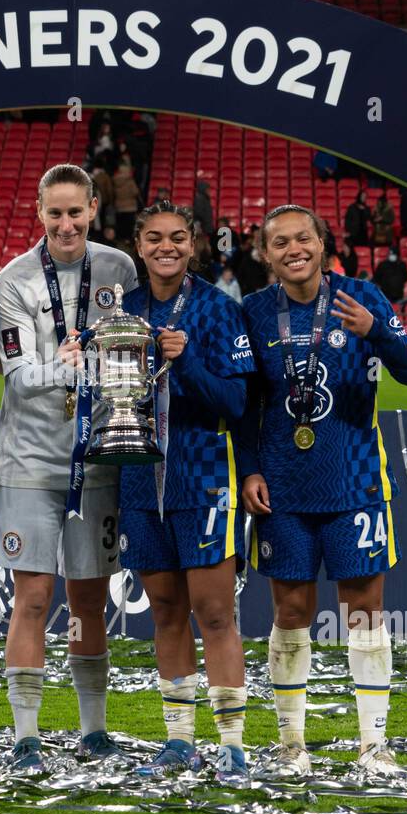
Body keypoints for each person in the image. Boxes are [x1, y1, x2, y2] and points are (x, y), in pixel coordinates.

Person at [239, 204, 407, 777]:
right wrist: (248, 470)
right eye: (280, 243)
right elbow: (244, 408)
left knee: (364, 612)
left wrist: (377, 335)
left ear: (323, 244)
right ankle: (291, 745)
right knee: (291, 611)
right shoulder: (251, 313)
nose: (294, 250)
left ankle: (374, 745)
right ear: (265, 255)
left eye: (304, 239)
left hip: (355, 480)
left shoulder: (362, 296)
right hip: (283, 489)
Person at [0, 163, 137, 770]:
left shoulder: (119, 270)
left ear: (94, 208)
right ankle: (25, 736)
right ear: (39, 212)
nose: (67, 223)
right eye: (55, 213)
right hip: (29, 462)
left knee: (88, 600)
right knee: (30, 598)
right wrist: (75, 370)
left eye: (76, 212)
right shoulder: (13, 280)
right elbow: (19, 378)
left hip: (98, 460)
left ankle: (94, 731)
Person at [119, 202, 256, 778]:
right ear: (139, 244)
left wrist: (186, 360)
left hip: (203, 477)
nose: (165, 247)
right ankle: (178, 739)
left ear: (193, 243)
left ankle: (231, 742)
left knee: (215, 613)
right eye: (154, 238)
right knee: (167, 610)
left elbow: (236, 403)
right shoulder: (124, 310)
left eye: (177, 237)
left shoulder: (220, 310)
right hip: (138, 477)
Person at [111, 158, 141, 239]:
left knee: (121, 224)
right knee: (129, 225)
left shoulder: (115, 181)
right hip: (130, 207)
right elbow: (135, 192)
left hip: (119, 207)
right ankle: (128, 240)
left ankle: (120, 239)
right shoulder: (130, 181)